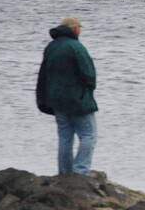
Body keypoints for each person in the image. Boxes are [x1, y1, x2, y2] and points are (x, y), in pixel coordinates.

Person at [35, 16, 98, 175]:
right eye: (79, 28)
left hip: (57, 101)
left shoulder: (51, 47)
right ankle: (81, 171)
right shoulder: (76, 47)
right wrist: (89, 90)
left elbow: (43, 75)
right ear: (74, 29)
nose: (80, 31)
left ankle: (65, 173)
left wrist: (44, 99)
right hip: (78, 100)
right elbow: (89, 75)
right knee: (89, 135)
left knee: (65, 138)